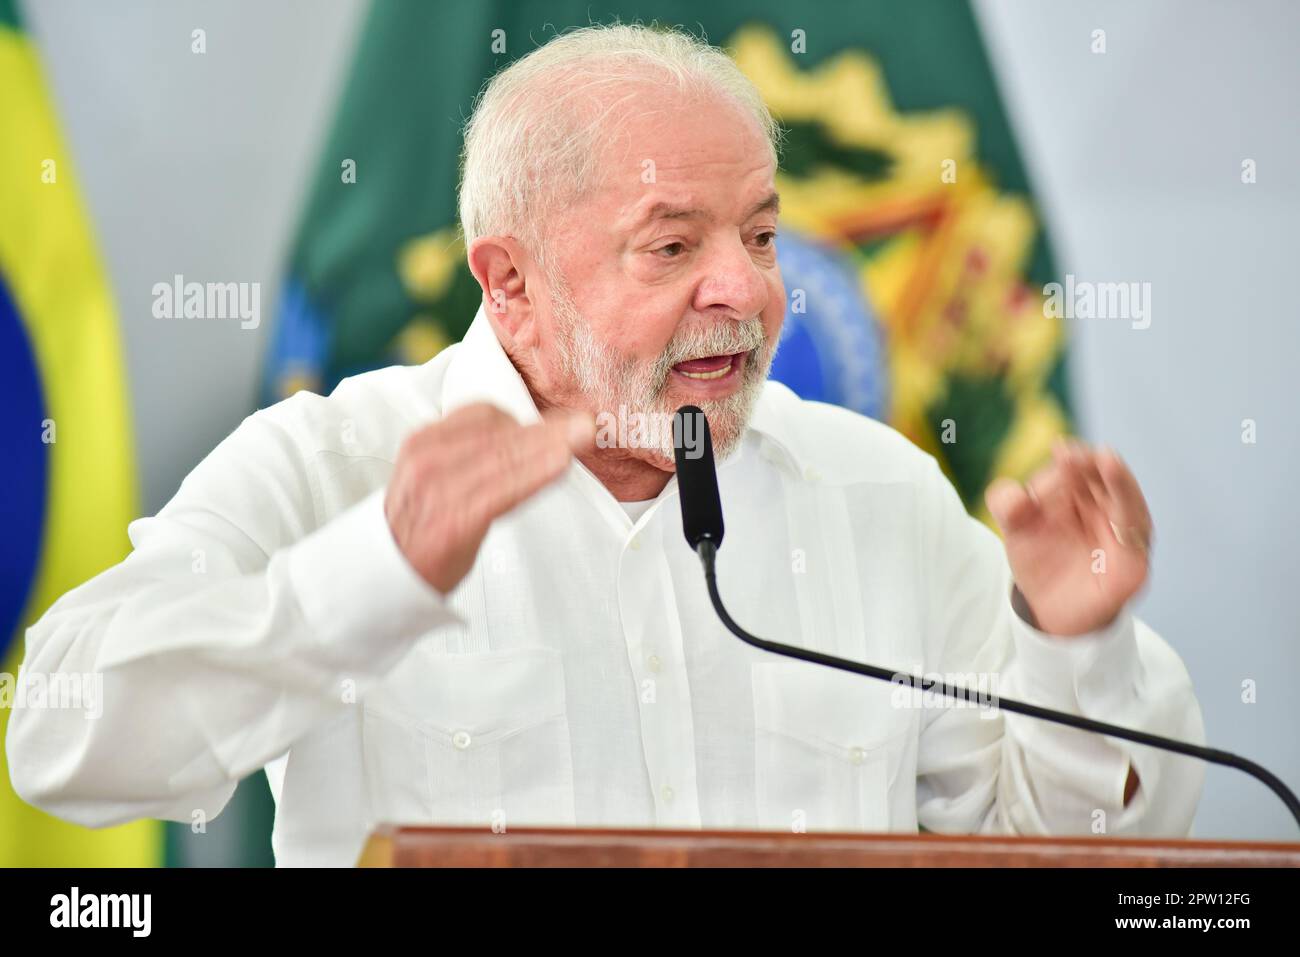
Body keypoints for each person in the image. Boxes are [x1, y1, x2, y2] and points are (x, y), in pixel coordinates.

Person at [7, 24, 1203, 867]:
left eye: (763, 233)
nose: (743, 289)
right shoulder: (330, 468)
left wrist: (1070, 649)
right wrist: (368, 577)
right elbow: (62, 743)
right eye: (672, 246)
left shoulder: (877, 491)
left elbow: (1073, 853)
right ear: (510, 282)